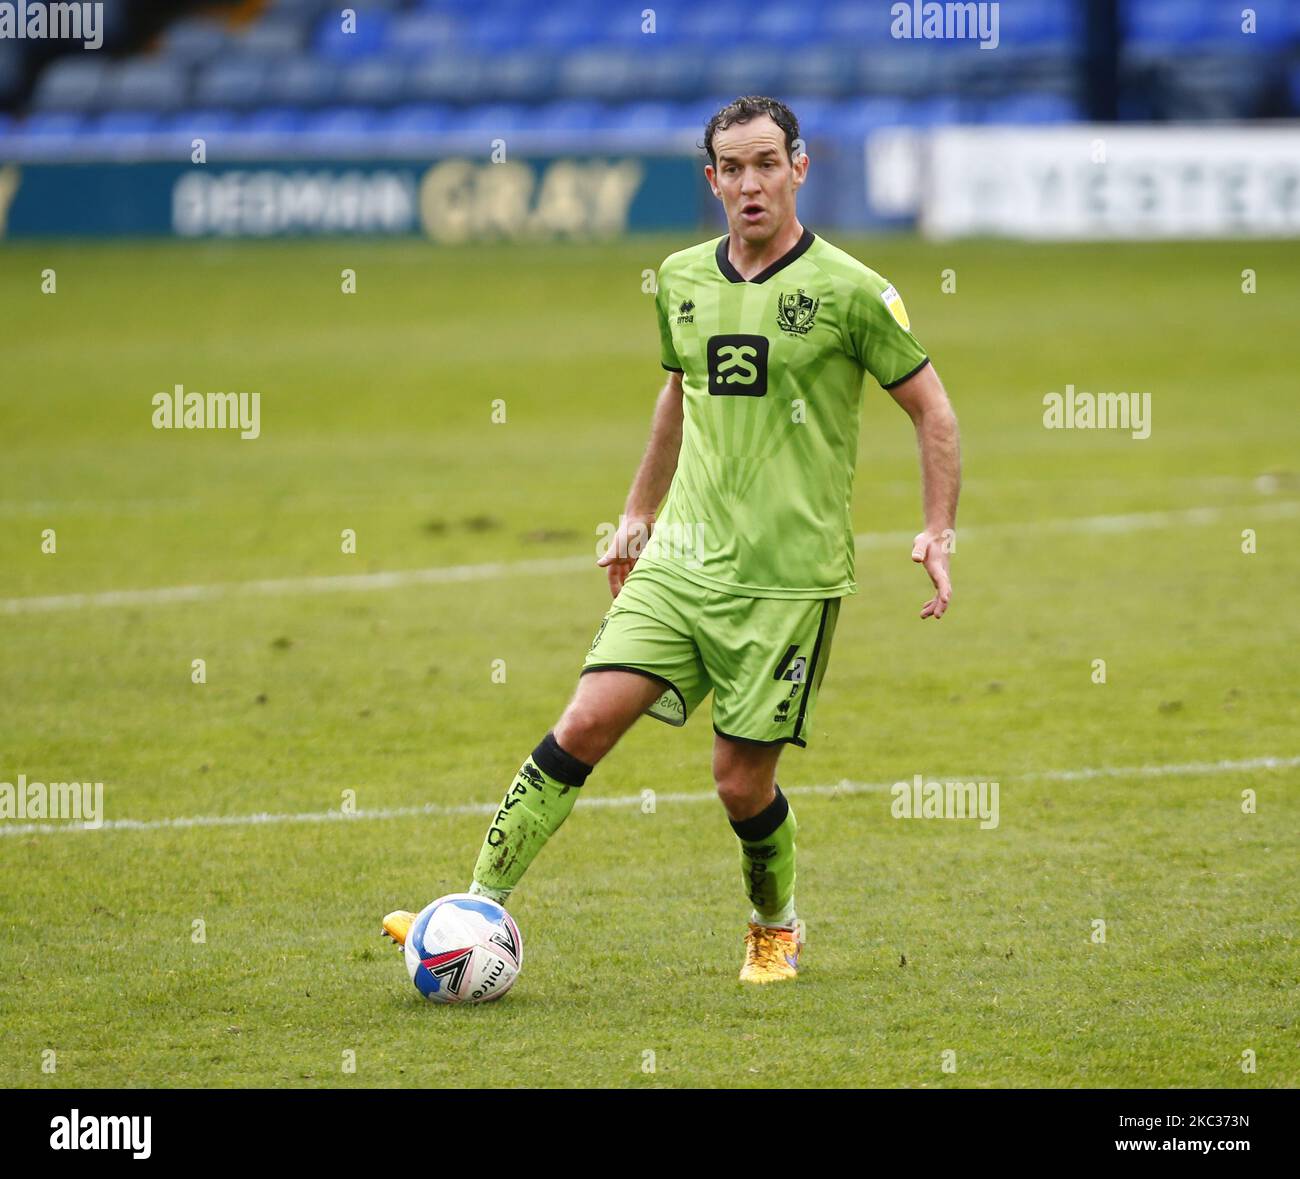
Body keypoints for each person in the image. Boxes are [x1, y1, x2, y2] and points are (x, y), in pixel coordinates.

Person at [384, 95, 961, 985]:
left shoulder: (852, 291)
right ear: (712, 179)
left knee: (739, 782)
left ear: (799, 167)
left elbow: (932, 408)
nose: (751, 183)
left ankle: (775, 925)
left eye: (767, 163)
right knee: (583, 721)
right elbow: (675, 395)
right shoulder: (681, 278)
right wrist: (637, 513)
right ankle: (473, 909)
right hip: (681, 563)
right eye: (732, 168)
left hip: (787, 579)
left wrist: (936, 528)